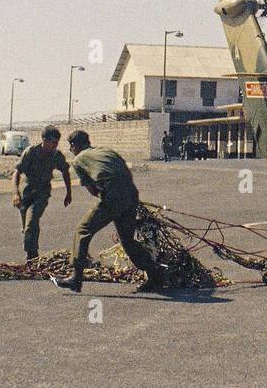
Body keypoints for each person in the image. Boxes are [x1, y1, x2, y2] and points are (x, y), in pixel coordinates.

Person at [52, 130, 164, 293]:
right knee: (127, 240)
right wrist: (126, 198)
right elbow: (124, 172)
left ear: (75, 146)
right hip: (131, 192)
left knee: (83, 230)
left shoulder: (78, 160)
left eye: (71, 147)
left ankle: (76, 278)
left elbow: (92, 190)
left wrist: (110, 199)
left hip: (114, 194)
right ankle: (155, 275)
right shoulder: (106, 150)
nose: (71, 150)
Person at [13, 125, 73, 259]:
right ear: (44, 140)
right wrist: (15, 193)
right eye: (52, 142)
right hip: (26, 193)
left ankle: (32, 257)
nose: (55, 146)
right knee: (27, 227)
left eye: (57, 143)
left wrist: (69, 192)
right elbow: (17, 172)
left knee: (32, 221)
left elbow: (65, 171)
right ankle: (31, 253)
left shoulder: (56, 155)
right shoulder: (31, 152)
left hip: (42, 193)